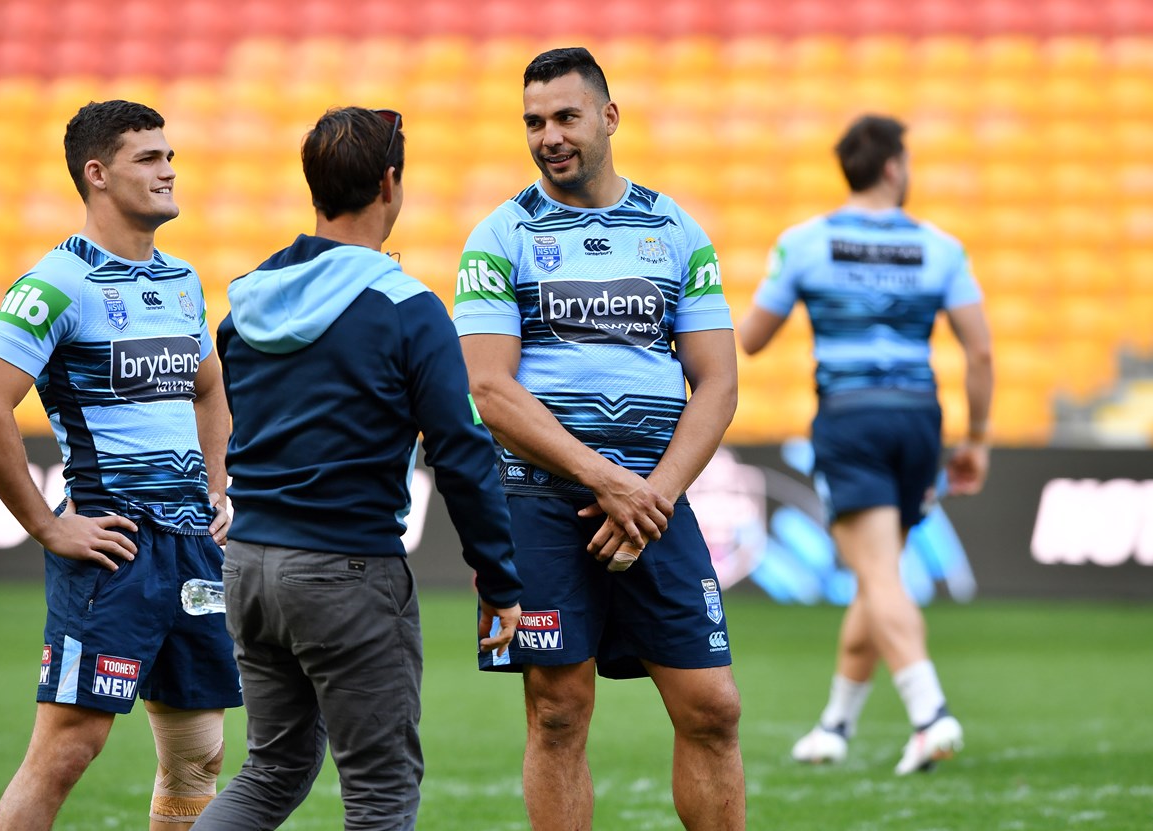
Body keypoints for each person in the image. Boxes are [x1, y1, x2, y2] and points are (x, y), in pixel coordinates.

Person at [191, 106, 523, 831]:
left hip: (248, 566)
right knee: (380, 793)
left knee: (270, 772)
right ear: (390, 184)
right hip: (346, 571)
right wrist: (498, 577)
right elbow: (461, 451)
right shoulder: (408, 307)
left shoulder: (245, 299)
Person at [456, 47, 746, 830]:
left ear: (609, 117)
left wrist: (652, 493)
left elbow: (717, 380)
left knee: (713, 706)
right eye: (533, 122)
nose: (548, 136)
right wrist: (605, 479)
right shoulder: (500, 234)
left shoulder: (675, 227)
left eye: (565, 117)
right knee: (558, 709)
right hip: (537, 504)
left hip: (656, 504)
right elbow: (489, 387)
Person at [0, 100, 241, 829]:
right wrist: (49, 526)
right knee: (68, 749)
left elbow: (210, 389)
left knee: (199, 753)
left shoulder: (181, 280)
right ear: (97, 174)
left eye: (169, 156)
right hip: (116, 550)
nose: (169, 169)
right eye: (149, 158)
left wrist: (216, 484)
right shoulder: (54, 284)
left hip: (193, 549)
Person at [737, 114, 994, 775]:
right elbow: (981, 350)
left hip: (850, 417)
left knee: (877, 573)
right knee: (878, 574)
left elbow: (752, 336)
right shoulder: (940, 247)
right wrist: (978, 440)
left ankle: (929, 710)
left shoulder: (806, 243)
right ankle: (836, 723)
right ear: (892, 167)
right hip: (918, 418)